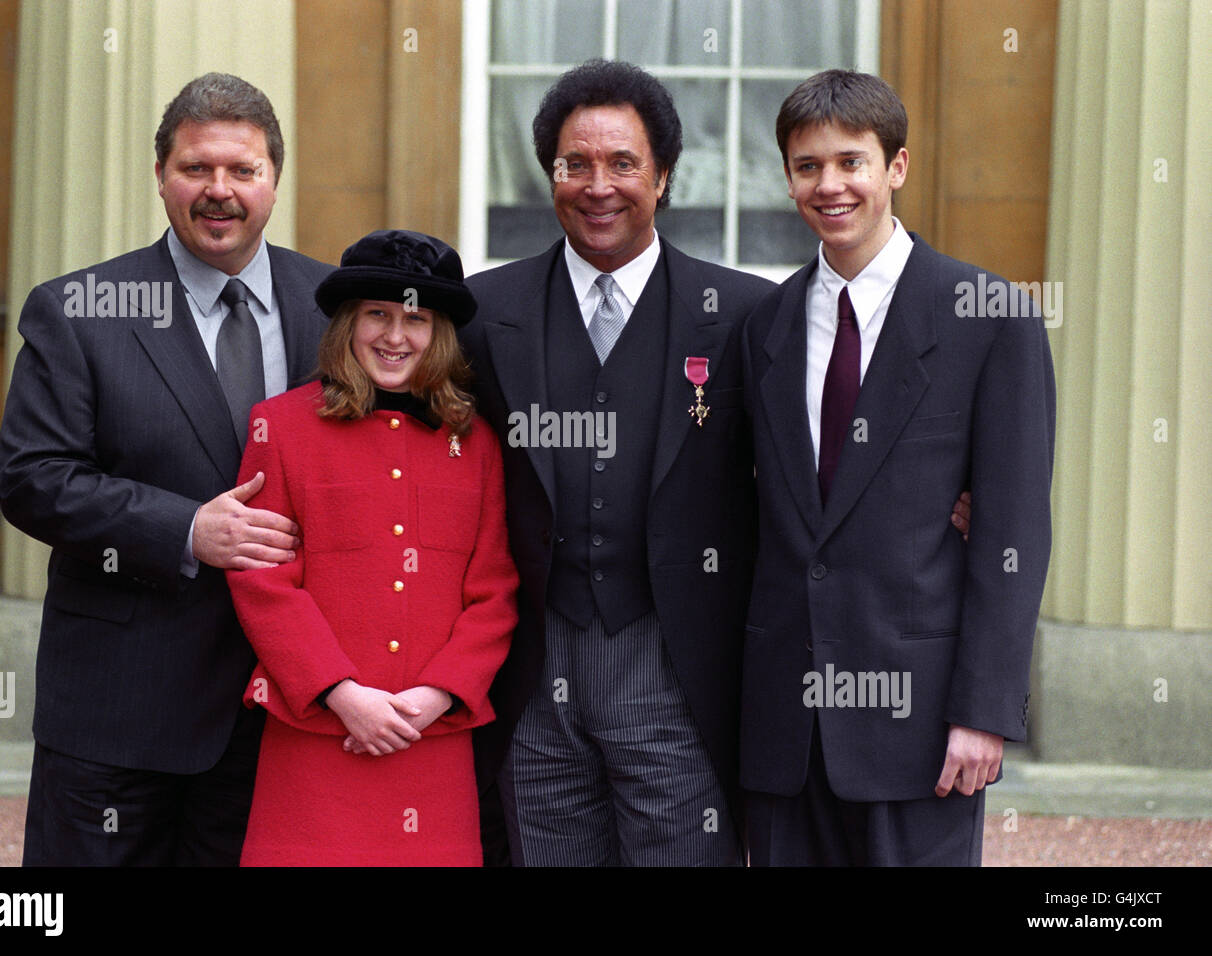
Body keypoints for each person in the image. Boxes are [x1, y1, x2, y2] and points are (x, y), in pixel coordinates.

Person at [0, 73, 334, 865]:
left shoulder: (338, 309)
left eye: (242, 170)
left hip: (280, 712)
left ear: (274, 181)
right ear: (160, 176)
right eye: (196, 168)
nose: (220, 191)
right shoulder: (78, 311)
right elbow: (33, 477)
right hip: (120, 716)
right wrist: (186, 528)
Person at [459, 59, 778, 866]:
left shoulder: (742, 316)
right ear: (550, 175)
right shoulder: (484, 315)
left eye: (623, 163)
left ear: (664, 175)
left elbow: (802, 467)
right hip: (535, 667)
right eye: (576, 164)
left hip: (674, 665)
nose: (598, 185)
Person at [740, 69, 1055, 865]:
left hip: (920, 728)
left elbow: (1013, 532)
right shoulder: (761, 327)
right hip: (785, 728)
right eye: (808, 166)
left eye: (852, 162)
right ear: (787, 178)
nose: (830, 184)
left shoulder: (988, 316)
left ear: (897, 168)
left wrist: (984, 710)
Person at [226, 230, 517, 866]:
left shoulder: (475, 444)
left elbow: (494, 590)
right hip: (316, 739)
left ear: (439, 333)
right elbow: (263, 581)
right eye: (377, 315)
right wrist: (342, 693)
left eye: (416, 319)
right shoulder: (280, 426)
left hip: (431, 739)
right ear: (346, 325)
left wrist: (439, 693)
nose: (395, 336)